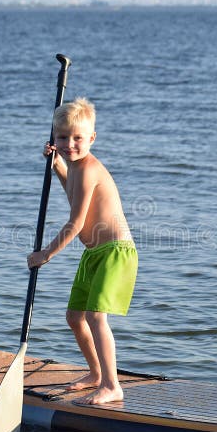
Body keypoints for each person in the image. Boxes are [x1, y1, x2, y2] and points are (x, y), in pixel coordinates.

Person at [27, 97, 138, 405]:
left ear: (92, 138)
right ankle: (95, 374)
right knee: (75, 317)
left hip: (115, 253)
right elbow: (73, 194)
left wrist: (46, 254)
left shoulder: (89, 168)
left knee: (95, 316)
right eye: (62, 137)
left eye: (78, 138)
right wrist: (58, 166)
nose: (70, 144)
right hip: (93, 253)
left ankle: (112, 385)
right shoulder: (75, 167)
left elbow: (75, 223)